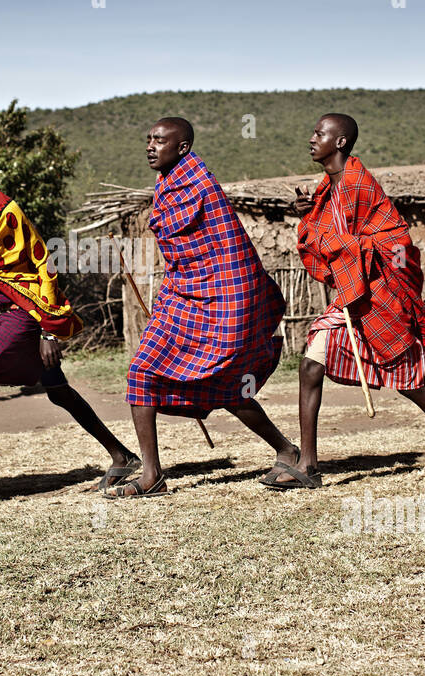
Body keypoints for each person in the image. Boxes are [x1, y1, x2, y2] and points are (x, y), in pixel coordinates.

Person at [275, 112, 425, 488]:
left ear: (339, 142)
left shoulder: (359, 184)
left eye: (318, 133)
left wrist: (348, 248)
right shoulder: (329, 186)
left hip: (379, 295)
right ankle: (307, 466)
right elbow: (329, 230)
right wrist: (309, 213)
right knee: (311, 365)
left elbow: (396, 242)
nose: (311, 139)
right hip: (351, 293)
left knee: (408, 381)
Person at [0, 143, 139, 506]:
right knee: (58, 390)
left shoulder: (6, 212)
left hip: (28, 314)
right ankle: (121, 457)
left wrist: (48, 329)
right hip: (6, 314)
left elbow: (42, 262)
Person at [117, 117, 301, 497]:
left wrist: (213, 293)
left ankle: (286, 449)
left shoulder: (200, 185)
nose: (150, 146)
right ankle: (151, 473)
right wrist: (177, 285)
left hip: (225, 297)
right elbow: (181, 252)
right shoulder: (166, 181)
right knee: (141, 373)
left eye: (160, 141)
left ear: (182, 147)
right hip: (181, 293)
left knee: (230, 386)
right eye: (148, 140)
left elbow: (229, 250)